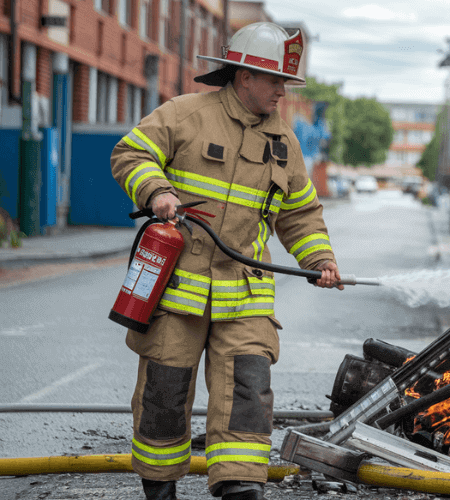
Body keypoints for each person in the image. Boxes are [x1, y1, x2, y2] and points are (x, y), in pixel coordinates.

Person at [110, 22, 341, 500]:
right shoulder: (186, 115)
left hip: (246, 296)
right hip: (176, 294)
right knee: (165, 395)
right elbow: (131, 154)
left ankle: (241, 486)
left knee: (248, 397)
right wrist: (157, 191)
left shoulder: (284, 143)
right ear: (244, 75)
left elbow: (300, 213)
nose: (283, 91)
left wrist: (320, 258)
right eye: (276, 80)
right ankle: (159, 488)